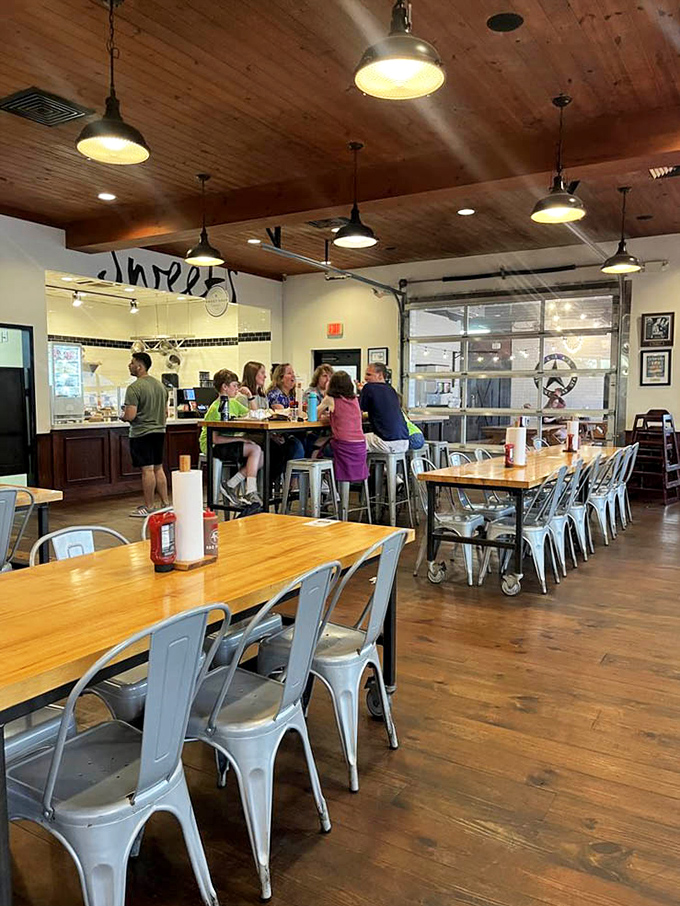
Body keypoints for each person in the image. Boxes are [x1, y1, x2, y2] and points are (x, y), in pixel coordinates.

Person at [199, 369, 263, 508]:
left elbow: (254, 414)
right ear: (224, 387)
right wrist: (240, 440)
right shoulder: (216, 408)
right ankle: (250, 490)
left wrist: (250, 397)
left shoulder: (233, 403)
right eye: (234, 386)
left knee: (261, 455)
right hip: (213, 445)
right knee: (255, 449)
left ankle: (230, 484)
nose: (237, 389)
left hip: (226, 443)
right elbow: (214, 439)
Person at [122, 352, 169, 518]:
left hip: (141, 433)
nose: (129, 365)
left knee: (147, 470)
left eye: (132, 362)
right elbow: (165, 412)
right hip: (159, 432)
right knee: (158, 468)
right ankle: (165, 504)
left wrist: (122, 416)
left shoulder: (134, 388)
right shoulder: (161, 387)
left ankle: (149, 507)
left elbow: (130, 415)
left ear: (139, 366)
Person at [318, 371, 368, 484]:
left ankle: (325, 486)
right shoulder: (354, 399)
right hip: (360, 446)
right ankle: (333, 490)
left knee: (316, 451)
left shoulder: (330, 399)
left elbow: (315, 414)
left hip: (343, 446)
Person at [359, 362, 409, 454]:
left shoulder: (368, 388)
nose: (365, 378)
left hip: (386, 442)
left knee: (352, 443)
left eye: (369, 374)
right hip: (404, 441)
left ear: (380, 375)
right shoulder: (391, 390)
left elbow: (358, 414)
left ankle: (357, 468)